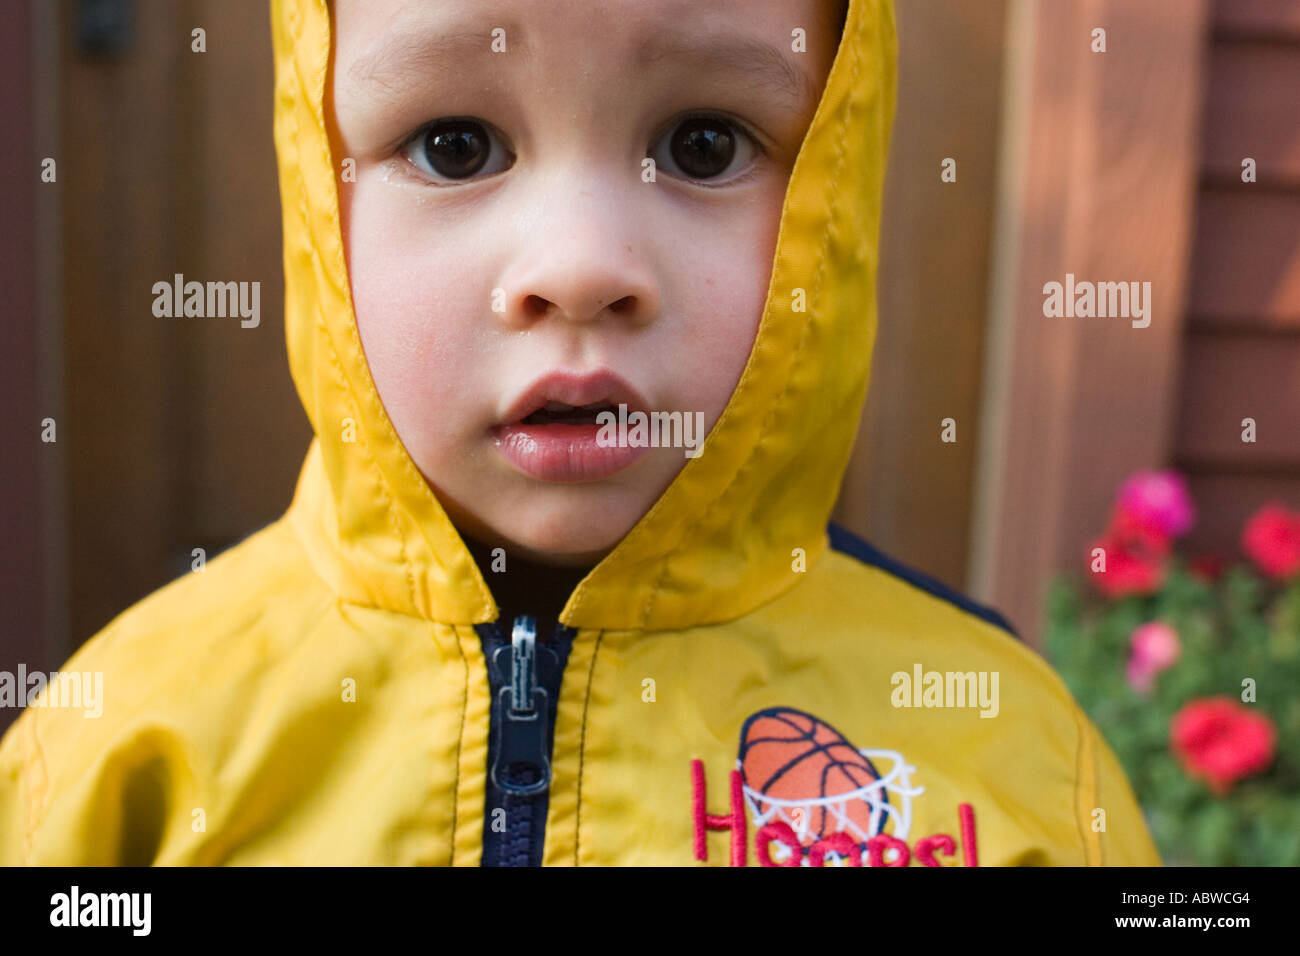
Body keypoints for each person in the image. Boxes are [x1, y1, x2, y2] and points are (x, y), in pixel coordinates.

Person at [0, 0, 1160, 866]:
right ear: (319, 187)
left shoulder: (1000, 764)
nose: (581, 266)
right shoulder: (133, 747)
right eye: (455, 144)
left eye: (705, 143)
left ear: (833, 194)